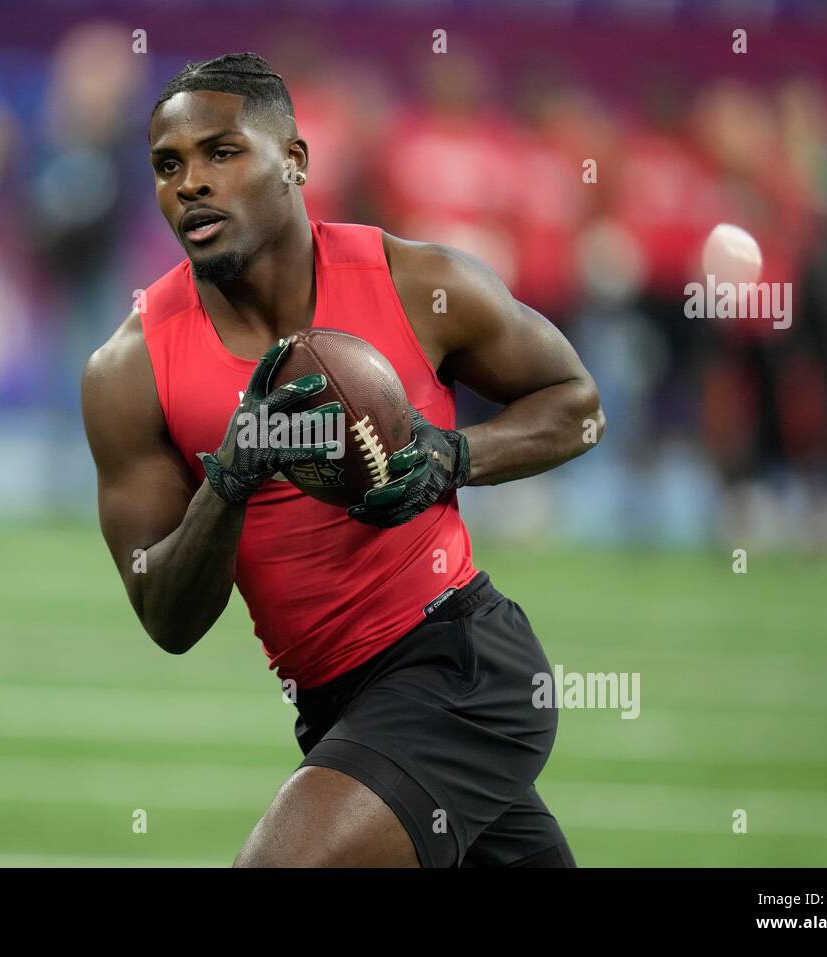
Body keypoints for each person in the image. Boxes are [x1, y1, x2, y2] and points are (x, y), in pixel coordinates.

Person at [82, 53, 605, 866]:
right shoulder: (130, 368)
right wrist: (231, 479)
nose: (191, 183)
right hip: (334, 705)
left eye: (222, 152)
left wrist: (455, 454)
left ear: (294, 160)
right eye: (167, 165)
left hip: (458, 665)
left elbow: (579, 404)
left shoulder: (416, 282)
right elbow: (167, 619)